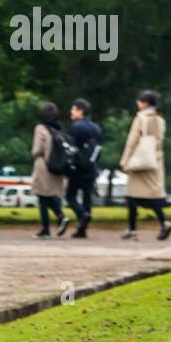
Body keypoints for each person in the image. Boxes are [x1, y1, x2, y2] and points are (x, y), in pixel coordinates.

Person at [119, 90, 171, 242]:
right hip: (154, 161)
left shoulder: (141, 118)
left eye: (139, 101)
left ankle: (132, 229)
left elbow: (132, 140)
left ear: (145, 103)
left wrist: (125, 160)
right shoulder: (160, 119)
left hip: (139, 161)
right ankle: (164, 222)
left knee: (131, 196)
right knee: (153, 196)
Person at [62, 98, 102, 239]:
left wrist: (67, 167)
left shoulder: (76, 127)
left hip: (78, 167)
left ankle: (82, 215)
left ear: (80, 111)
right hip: (91, 167)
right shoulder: (96, 128)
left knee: (70, 195)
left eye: (73, 109)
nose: (71, 112)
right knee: (87, 196)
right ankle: (82, 229)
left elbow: (70, 148)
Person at [30, 102, 68, 238]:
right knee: (49, 197)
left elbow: (37, 149)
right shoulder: (58, 129)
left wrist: (34, 152)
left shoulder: (40, 128)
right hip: (56, 167)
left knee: (42, 198)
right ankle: (61, 217)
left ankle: (46, 229)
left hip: (43, 166)